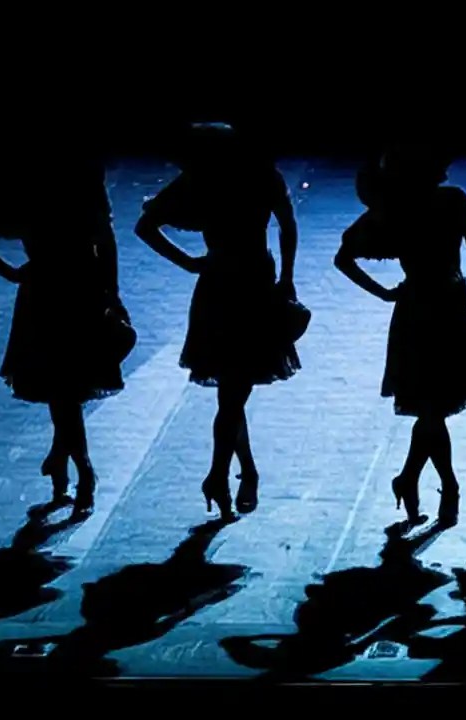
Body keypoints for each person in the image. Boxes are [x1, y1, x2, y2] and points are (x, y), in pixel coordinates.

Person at [0, 143, 132, 516]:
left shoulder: (24, 182)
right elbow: (105, 239)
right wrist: (112, 293)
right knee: (67, 384)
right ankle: (76, 465)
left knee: (61, 384)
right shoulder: (83, 175)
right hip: (80, 286)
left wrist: (12, 272)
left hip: (46, 289)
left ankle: (70, 462)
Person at [135, 123, 302, 521]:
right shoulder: (260, 175)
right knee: (233, 390)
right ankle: (223, 473)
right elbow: (288, 225)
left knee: (232, 390)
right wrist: (287, 277)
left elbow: (146, 226)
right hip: (251, 283)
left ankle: (236, 473)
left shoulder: (201, 182)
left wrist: (190, 263)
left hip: (220, 284)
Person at [335, 148, 466, 526]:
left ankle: (412, 480)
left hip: (418, 305)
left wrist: (386, 292)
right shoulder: (449, 201)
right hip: (444, 304)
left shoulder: (396, 209)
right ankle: (441, 485)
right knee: (434, 407)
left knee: (432, 407)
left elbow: (344, 258)